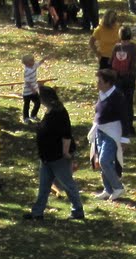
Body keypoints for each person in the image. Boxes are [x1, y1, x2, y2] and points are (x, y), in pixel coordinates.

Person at [23, 85, 85, 220]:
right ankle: (37, 213)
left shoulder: (60, 113)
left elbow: (66, 135)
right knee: (44, 186)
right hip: (46, 158)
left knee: (68, 185)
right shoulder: (49, 111)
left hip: (58, 157)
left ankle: (78, 211)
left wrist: (66, 153)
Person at [90, 66, 129, 200]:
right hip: (100, 132)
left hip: (112, 133)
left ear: (108, 83)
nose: (97, 84)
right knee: (101, 162)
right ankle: (108, 189)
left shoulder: (117, 96)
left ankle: (118, 187)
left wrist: (124, 138)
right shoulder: (102, 93)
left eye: (100, 81)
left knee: (104, 160)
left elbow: (125, 117)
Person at [111, 26, 136, 135]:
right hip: (130, 76)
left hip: (118, 77)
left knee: (119, 102)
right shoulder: (135, 47)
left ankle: (119, 127)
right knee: (129, 102)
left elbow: (111, 61)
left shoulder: (116, 47)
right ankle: (129, 128)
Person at [20, 53, 49, 122]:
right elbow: (27, 81)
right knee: (27, 105)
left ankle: (33, 115)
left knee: (37, 102)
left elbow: (39, 63)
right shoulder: (27, 71)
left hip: (34, 90)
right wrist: (32, 89)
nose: (33, 62)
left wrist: (44, 58)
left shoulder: (34, 66)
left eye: (33, 60)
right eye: (31, 61)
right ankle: (26, 117)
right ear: (27, 63)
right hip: (27, 92)